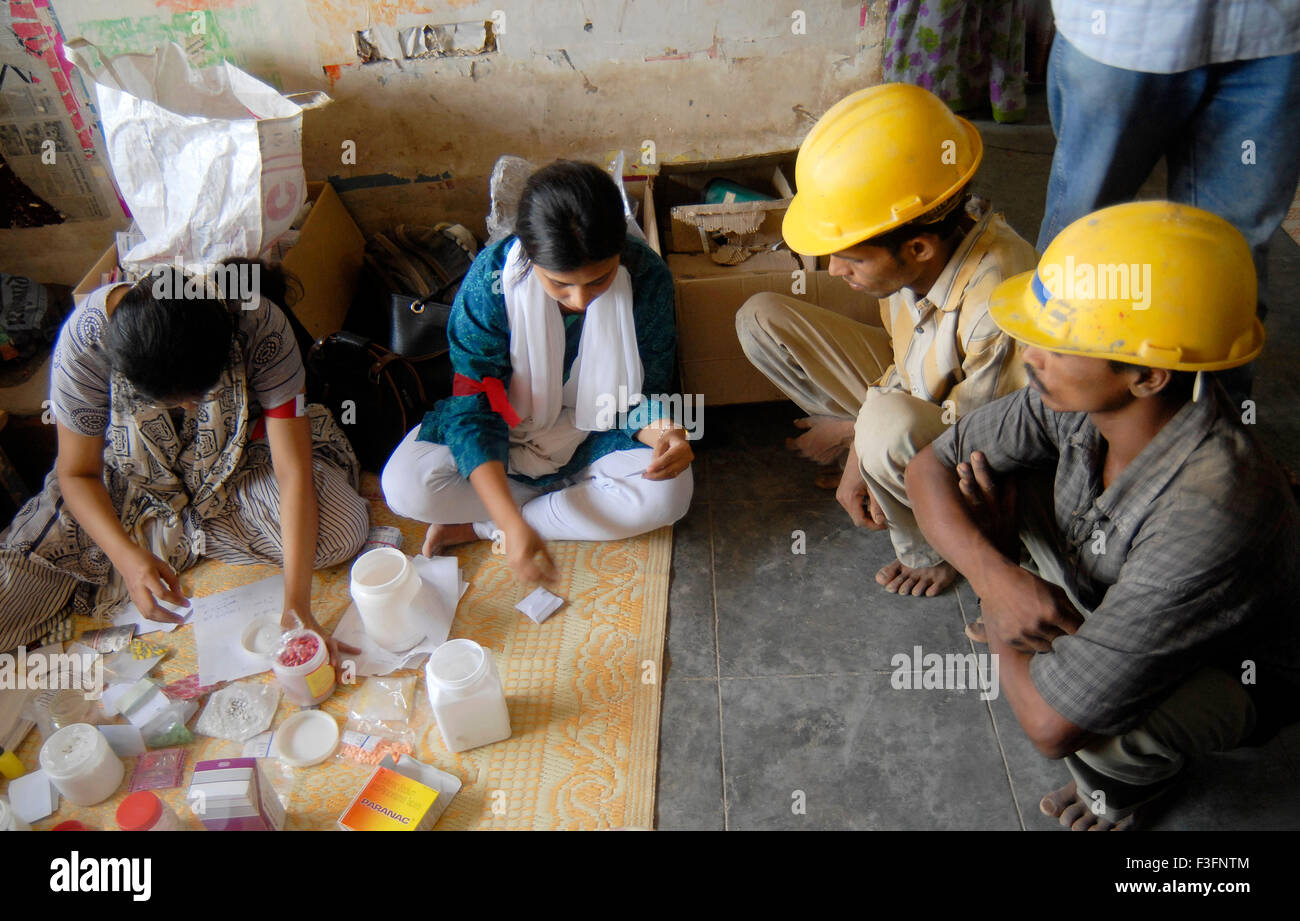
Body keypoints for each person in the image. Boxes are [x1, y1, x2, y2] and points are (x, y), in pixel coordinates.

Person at [906, 202, 1300, 829]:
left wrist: (1000, 612)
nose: (1030, 352)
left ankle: (1138, 784)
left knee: (1101, 736)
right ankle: (1082, 639)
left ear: (1146, 374)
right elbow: (927, 466)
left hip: (1233, 667)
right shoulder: (1080, 394)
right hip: (1127, 576)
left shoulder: (1212, 509)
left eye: (1060, 343)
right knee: (974, 474)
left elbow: (1050, 727)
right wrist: (993, 574)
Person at [736, 83, 1037, 598]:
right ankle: (874, 447)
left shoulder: (999, 300)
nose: (835, 271)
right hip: (920, 398)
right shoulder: (915, 254)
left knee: (885, 425)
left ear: (918, 247)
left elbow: (988, 443)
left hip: (980, 448)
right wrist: (863, 440)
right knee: (759, 318)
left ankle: (941, 548)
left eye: (851, 258)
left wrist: (866, 441)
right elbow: (902, 363)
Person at [0, 263, 369, 662]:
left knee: (341, 532)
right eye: (177, 403)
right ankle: (156, 539)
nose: (191, 408)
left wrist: (297, 606)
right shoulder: (84, 342)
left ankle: (166, 536)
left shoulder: (256, 320)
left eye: (197, 398)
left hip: (235, 462)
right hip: (128, 477)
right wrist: (125, 558)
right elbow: (76, 473)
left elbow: (292, 468)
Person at [381, 160, 694, 584]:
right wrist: (514, 522)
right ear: (529, 256)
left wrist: (666, 433)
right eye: (560, 284)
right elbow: (476, 406)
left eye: (599, 280)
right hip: (509, 430)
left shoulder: (646, 277)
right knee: (405, 486)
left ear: (620, 251)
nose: (580, 300)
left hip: (598, 433)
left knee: (668, 498)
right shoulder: (492, 282)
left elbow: (643, 393)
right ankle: (553, 507)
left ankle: (481, 526)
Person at [1038, 1, 1300, 396]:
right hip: (1124, 28)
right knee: (1077, 253)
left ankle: (1209, 442)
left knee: (1231, 267)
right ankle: (1046, 428)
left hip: (1272, 30)